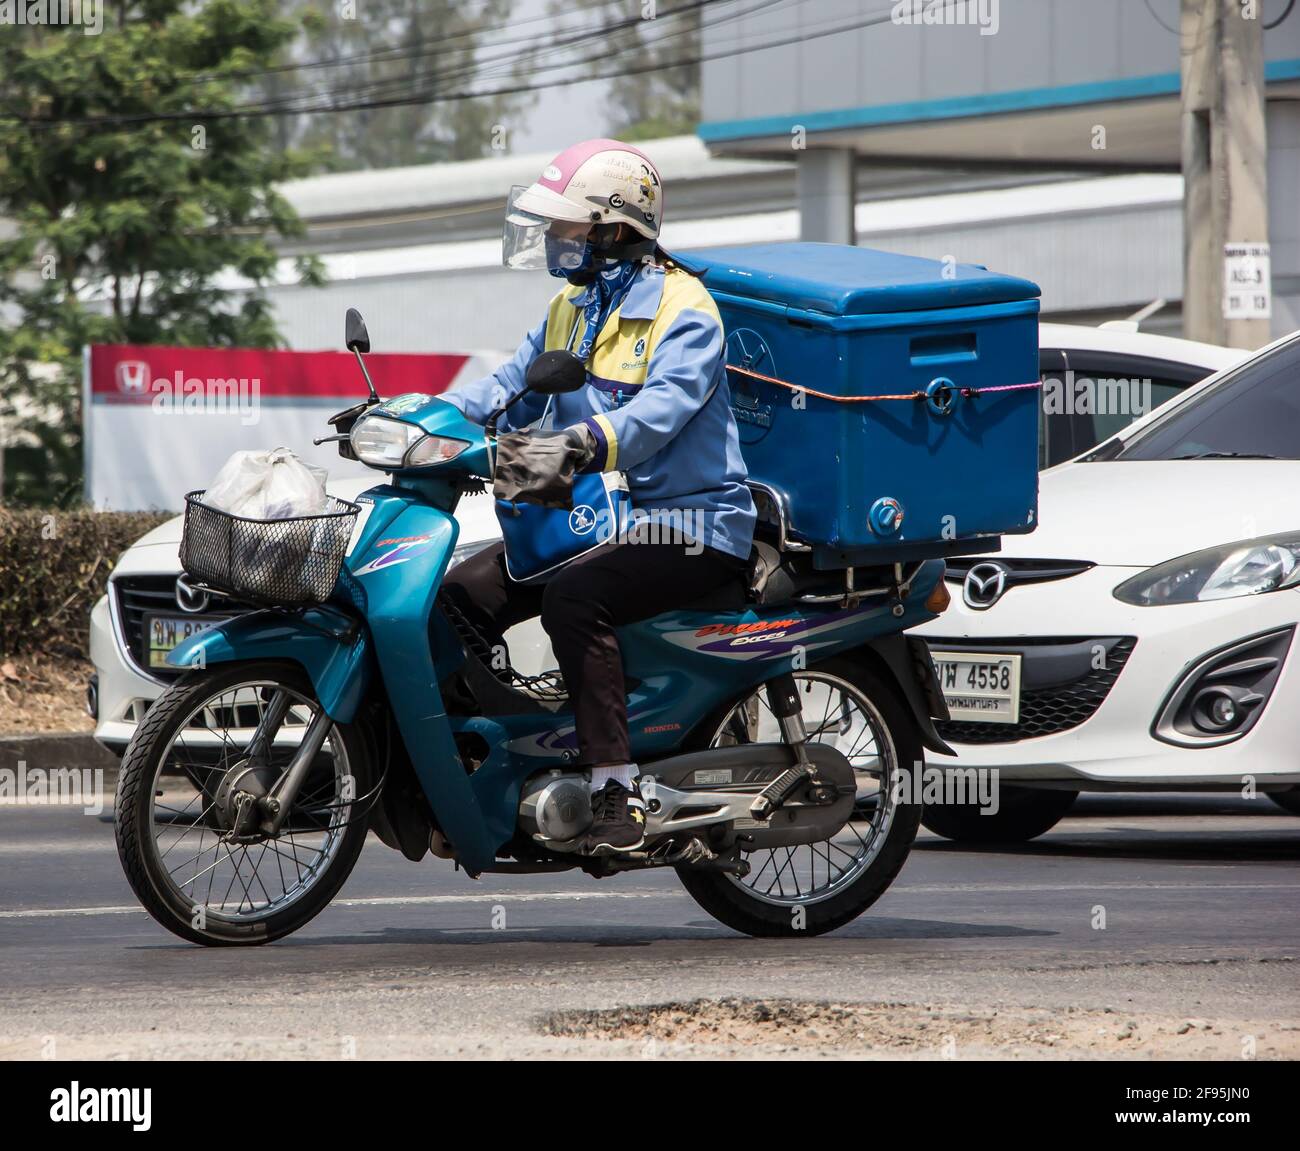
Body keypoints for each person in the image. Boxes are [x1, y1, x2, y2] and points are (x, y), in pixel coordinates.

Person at [441, 139, 756, 854]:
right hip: (589, 509)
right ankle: (499, 752)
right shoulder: (570, 306)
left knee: (575, 599)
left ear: (615, 229)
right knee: (457, 594)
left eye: (567, 227)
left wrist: (583, 440)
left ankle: (616, 789)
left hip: (690, 520)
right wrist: (419, 424)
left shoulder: (687, 309)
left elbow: (660, 414)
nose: (554, 240)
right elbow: (505, 390)